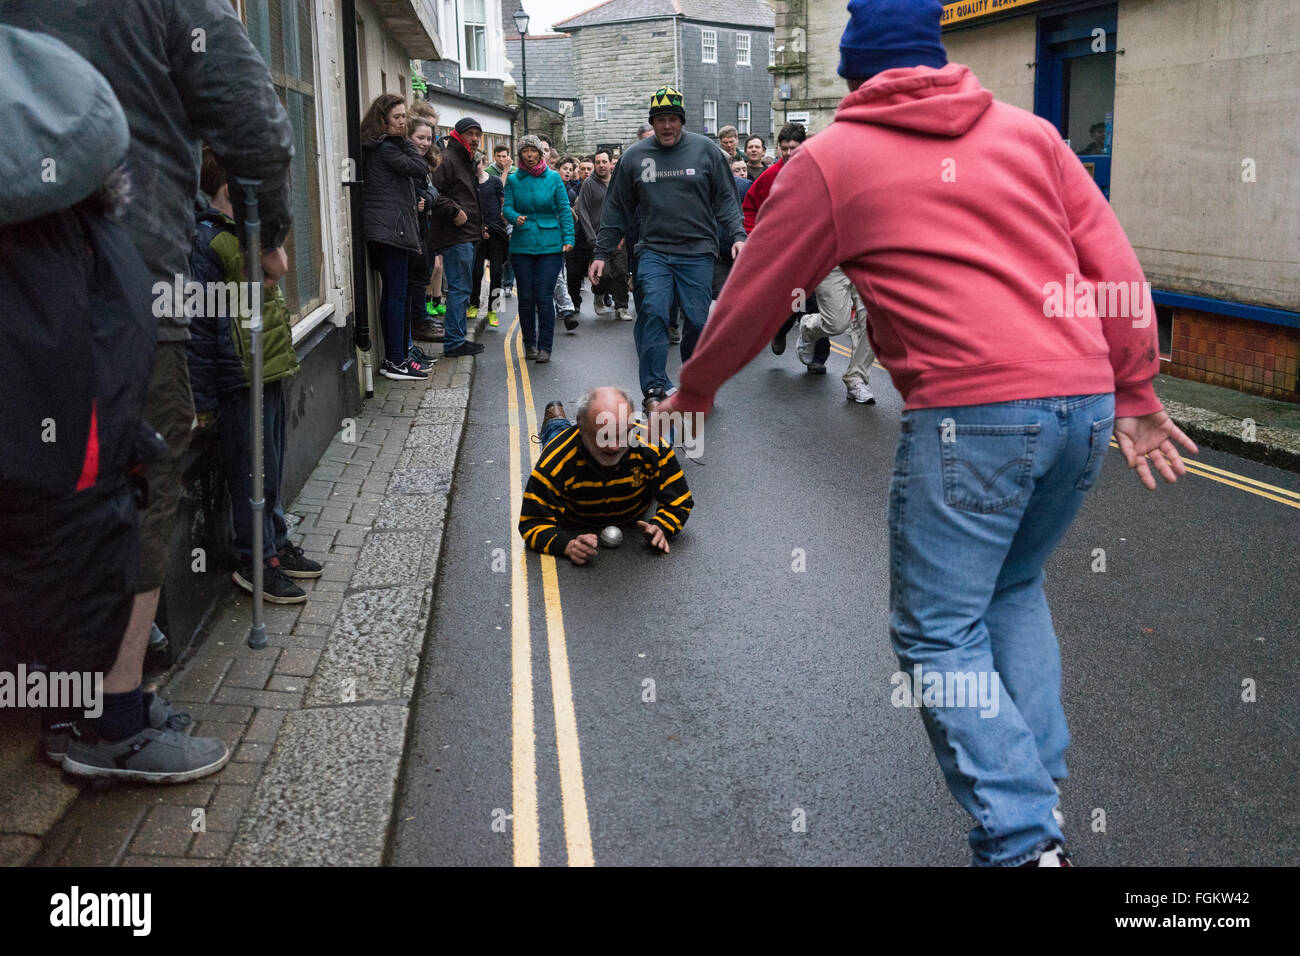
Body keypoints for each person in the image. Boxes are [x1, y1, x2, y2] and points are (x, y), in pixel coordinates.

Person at [658, 0, 1198, 867]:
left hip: (975, 416)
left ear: (855, 78)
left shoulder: (834, 160)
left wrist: (693, 388)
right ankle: (1036, 793)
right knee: (1012, 591)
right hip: (1083, 405)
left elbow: (756, 290)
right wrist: (1133, 384)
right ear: (935, 58)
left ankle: (1022, 843)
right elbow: (1113, 263)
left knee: (938, 632)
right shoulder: (1031, 135)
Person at [6, 0, 294, 782]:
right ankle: (111, 716)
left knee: (33, 477)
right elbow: (254, 127)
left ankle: (57, 692)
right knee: (135, 482)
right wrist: (270, 233)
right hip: (122, 275)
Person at [188, 148, 320, 604]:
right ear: (232, 188)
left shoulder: (247, 232)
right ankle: (255, 561)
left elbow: (278, 267)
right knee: (251, 475)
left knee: (271, 468)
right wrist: (203, 401)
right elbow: (199, 327)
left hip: (270, 364)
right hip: (239, 375)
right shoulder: (208, 241)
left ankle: (276, 545)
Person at [590, 86, 745, 412]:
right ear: (653, 122)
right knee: (654, 314)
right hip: (654, 251)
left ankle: (695, 384)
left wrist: (739, 236)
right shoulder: (634, 157)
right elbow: (615, 208)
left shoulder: (707, 152)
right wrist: (601, 253)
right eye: (660, 120)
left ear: (682, 120)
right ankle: (655, 387)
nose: (667, 126)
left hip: (698, 251)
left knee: (699, 322)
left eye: (672, 119)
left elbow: (727, 201)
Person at [519, 387, 693, 563]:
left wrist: (662, 526)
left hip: (629, 509)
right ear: (581, 425)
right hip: (575, 512)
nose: (614, 447)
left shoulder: (653, 446)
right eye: (603, 436)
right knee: (556, 434)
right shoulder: (554, 462)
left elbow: (679, 501)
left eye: (622, 434)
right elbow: (532, 522)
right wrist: (566, 545)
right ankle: (555, 419)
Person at [746, 122, 830, 374]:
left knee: (817, 305)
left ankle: (818, 358)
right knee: (794, 303)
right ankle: (781, 329)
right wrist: (753, 238)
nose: (789, 153)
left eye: (794, 148)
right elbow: (750, 207)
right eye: (784, 148)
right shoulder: (769, 176)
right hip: (782, 254)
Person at [361, 94, 431, 380]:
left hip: (391, 229)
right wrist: (405, 142)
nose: (403, 123)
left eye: (404, 117)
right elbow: (420, 167)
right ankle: (395, 360)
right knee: (396, 294)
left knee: (397, 293)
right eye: (397, 118)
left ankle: (400, 355)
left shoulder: (383, 147)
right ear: (383, 120)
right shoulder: (388, 149)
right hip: (390, 230)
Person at [504, 134, 575, 363]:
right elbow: (506, 208)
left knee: (544, 296)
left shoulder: (554, 178)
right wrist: (515, 218)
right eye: (525, 151)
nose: (530, 155)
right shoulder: (514, 180)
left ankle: (546, 347)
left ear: (541, 153)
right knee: (525, 297)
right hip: (522, 244)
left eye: (533, 151)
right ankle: (529, 344)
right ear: (521, 155)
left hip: (550, 244)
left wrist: (569, 237)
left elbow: (564, 209)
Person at [428, 116, 488, 357]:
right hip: (456, 235)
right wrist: (455, 211)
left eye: (478, 134)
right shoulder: (448, 159)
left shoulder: (465, 159)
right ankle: (454, 342)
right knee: (459, 289)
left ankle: (458, 338)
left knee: (463, 287)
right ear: (458, 134)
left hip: (468, 234)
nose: (474, 139)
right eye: (470, 134)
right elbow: (434, 192)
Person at [570, 149, 630, 321]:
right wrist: (592, 238)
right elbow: (583, 211)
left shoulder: (619, 183)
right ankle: (598, 292)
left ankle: (621, 307)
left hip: (618, 236)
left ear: (611, 163)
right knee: (604, 274)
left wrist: (624, 233)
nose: (601, 165)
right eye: (598, 162)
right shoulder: (589, 184)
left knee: (621, 272)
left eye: (604, 162)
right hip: (597, 237)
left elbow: (626, 208)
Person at [404, 113, 441, 365]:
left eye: (429, 138)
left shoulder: (424, 163)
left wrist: (428, 197)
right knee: (412, 284)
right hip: (408, 232)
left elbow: (432, 190)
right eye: (420, 137)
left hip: (422, 229)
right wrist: (427, 195)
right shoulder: (407, 162)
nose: (426, 143)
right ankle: (415, 328)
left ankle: (416, 329)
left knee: (421, 276)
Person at [470, 149, 509, 329]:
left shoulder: (493, 181)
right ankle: (474, 304)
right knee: (476, 272)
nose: (476, 167)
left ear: (483, 163)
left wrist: (504, 219)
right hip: (477, 233)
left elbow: (502, 203)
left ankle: (494, 309)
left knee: (496, 273)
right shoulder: (469, 183)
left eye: (478, 163)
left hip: (496, 232)